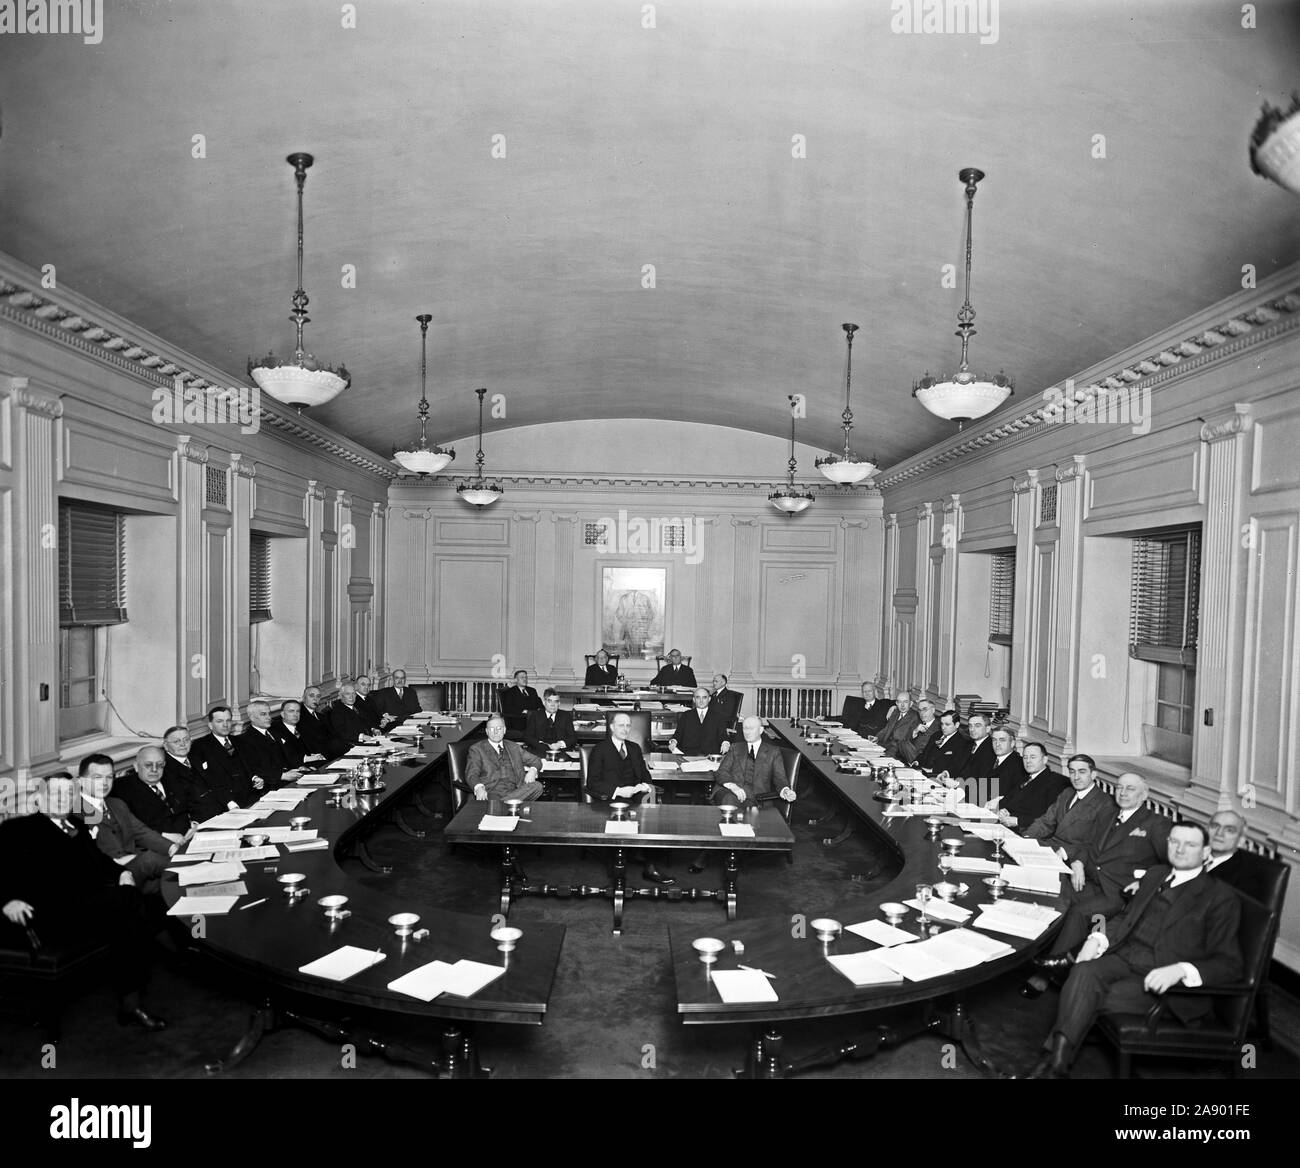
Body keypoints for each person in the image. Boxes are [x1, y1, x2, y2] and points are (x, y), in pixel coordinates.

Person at [1026, 821, 1243, 1079]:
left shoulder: (1219, 897)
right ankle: (1057, 1067)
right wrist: (1097, 938)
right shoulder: (1155, 875)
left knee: (1081, 992)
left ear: (1206, 852)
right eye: (1174, 842)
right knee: (1083, 972)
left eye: (1191, 844)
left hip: (1162, 983)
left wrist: (1180, 970)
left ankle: (1051, 1067)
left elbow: (1230, 964)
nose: (1180, 849)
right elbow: (1124, 918)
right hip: (1123, 958)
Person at [0, 774, 168, 1031]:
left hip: (87, 908)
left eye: (68, 794)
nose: (63, 799)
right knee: (130, 906)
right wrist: (7, 901)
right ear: (39, 798)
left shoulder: (76, 825)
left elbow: (101, 860)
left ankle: (132, 1000)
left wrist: (121, 873)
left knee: (129, 910)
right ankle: (137, 994)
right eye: (56, 793)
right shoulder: (18, 829)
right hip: (47, 914)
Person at [1023, 773, 1172, 997]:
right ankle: (1026, 955)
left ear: (1144, 795)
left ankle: (1047, 974)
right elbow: (1087, 844)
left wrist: (1143, 881)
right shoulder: (1108, 814)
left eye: (1130, 789)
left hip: (1118, 893)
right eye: (1119, 787)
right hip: (1088, 880)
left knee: (1080, 913)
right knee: (1047, 893)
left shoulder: (1156, 824)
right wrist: (1079, 862)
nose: (1122, 793)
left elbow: (1170, 865)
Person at [689, 716, 794, 873]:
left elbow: (780, 779)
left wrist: (786, 791)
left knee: (737, 809)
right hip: (729, 790)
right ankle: (732, 855)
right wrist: (734, 787)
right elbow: (721, 772)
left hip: (757, 797)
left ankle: (713, 851)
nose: (747, 732)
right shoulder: (735, 748)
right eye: (744, 728)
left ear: (761, 730)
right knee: (731, 801)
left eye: (751, 728)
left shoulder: (773, 752)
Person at [585, 712, 673, 886]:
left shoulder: (634, 748)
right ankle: (618, 866)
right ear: (611, 727)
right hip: (611, 798)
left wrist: (646, 786)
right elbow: (592, 783)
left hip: (636, 796)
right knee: (626, 813)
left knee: (654, 811)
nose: (625, 729)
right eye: (620, 725)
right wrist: (618, 791)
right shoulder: (600, 749)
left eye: (627, 725)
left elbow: (644, 774)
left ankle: (650, 865)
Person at [75, 754, 181, 895]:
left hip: (136, 866)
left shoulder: (117, 804)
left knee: (169, 884)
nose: (105, 783)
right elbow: (88, 856)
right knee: (152, 861)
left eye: (109, 777)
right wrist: (115, 862)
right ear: (81, 781)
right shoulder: (75, 813)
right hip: (111, 874)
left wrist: (171, 847)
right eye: (97, 778)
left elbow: (141, 832)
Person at [1023, 754, 1117, 866]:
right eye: (1072, 772)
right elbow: (1046, 822)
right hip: (1051, 849)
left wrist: (1065, 852)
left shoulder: (1105, 803)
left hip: (1074, 859)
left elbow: (1097, 844)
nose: (1076, 777)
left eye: (1082, 772)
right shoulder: (1067, 793)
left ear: (1093, 774)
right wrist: (1027, 837)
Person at [111, 745, 192, 836]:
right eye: (148, 765)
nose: (154, 769)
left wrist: (195, 823)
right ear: (136, 766)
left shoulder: (173, 778)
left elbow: (193, 803)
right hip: (157, 845)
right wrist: (162, 836)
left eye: (160, 764)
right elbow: (130, 828)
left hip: (190, 836)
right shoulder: (122, 789)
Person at [189, 706, 258, 812]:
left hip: (250, 799)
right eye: (220, 721)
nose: (225, 725)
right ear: (211, 725)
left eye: (228, 720)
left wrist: (255, 778)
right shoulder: (200, 747)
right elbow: (207, 781)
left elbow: (250, 767)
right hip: (224, 805)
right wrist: (229, 803)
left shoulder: (239, 741)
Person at [466, 715, 545, 803]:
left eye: (499, 728)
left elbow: (536, 760)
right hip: (492, 792)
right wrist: (479, 787)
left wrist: (533, 771)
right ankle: (506, 805)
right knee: (493, 798)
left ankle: (500, 806)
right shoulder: (477, 749)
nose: (496, 732)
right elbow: (472, 773)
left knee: (537, 786)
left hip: (516, 790)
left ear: (504, 730)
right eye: (492, 729)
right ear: (487, 731)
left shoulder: (513, 746)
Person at [1203, 809, 1276, 904]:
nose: (1219, 833)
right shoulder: (1193, 853)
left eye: (1229, 830)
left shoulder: (1246, 879)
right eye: (1215, 826)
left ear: (1240, 840)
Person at [991, 741, 1066, 830]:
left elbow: (1050, 818)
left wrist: (1017, 821)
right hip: (1007, 827)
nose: (1028, 761)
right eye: (1025, 758)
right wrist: (1004, 810)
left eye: (1033, 757)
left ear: (1045, 760)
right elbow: (1006, 800)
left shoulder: (1054, 782)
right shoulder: (1025, 777)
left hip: (1029, 831)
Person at [236, 698, 303, 791]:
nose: (269, 717)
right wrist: (282, 775)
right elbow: (253, 769)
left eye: (269, 713)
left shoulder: (275, 732)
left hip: (290, 779)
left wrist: (299, 767)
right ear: (252, 717)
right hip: (270, 786)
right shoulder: (244, 740)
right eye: (263, 714)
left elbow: (287, 755)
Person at [670, 688, 731, 756]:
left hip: (710, 756)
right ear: (694, 700)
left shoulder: (718, 716)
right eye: (698, 697)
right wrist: (673, 742)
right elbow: (678, 734)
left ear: (709, 699)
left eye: (704, 697)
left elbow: (723, 735)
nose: (701, 701)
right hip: (689, 755)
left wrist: (725, 743)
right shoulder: (686, 715)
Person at [271, 699, 327, 770]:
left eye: (298, 711)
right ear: (282, 714)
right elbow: (283, 757)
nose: (295, 714)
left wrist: (316, 755)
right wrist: (306, 758)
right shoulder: (275, 731)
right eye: (291, 711)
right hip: (292, 768)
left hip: (311, 764)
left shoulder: (303, 727)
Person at [939, 711, 994, 780]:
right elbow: (957, 764)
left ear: (987, 729)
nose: (972, 729)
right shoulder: (968, 743)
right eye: (970, 726)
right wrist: (947, 773)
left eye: (977, 726)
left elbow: (980, 777)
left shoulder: (992, 749)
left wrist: (957, 784)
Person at [524, 689, 578, 754]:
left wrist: (560, 744)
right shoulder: (535, 716)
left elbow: (573, 738)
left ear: (559, 704)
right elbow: (528, 737)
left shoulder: (566, 716)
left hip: (560, 752)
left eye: (556, 702)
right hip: (539, 751)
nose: (553, 705)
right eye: (549, 701)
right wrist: (542, 744)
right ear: (544, 703)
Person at [918, 710, 970, 776]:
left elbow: (956, 767)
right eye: (942, 724)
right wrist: (916, 762)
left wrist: (931, 771)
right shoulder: (936, 735)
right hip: (922, 771)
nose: (943, 727)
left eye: (947, 724)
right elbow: (925, 753)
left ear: (957, 725)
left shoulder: (963, 742)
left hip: (938, 776)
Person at [984, 726, 1028, 801]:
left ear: (1012, 743)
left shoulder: (1019, 766)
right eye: (994, 740)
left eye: (1002, 740)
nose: (997, 744)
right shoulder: (988, 759)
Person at [326, 682, 373, 752]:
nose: (351, 697)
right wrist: (361, 736)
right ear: (341, 696)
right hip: (352, 746)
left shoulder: (358, 707)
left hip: (368, 741)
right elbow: (341, 733)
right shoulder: (337, 711)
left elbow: (366, 723)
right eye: (347, 694)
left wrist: (373, 729)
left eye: (353, 694)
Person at [897, 697, 940, 765]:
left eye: (925, 709)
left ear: (933, 710)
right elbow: (902, 743)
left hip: (926, 761)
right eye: (919, 710)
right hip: (910, 759)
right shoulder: (916, 724)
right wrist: (915, 731)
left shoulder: (939, 726)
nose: (922, 713)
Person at [874, 690, 918, 756]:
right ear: (896, 703)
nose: (902, 705)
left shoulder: (915, 717)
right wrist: (876, 738)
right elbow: (886, 730)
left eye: (905, 702)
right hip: (884, 745)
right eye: (899, 702)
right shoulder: (895, 713)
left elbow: (908, 739)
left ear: (911, 703)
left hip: (897, 750)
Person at [297, 685, 335, 760]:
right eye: (311, 696)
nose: (315, 699)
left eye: (318, 696)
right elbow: (311, 743)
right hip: (317, 757)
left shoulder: (321, 716)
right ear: (304, 698)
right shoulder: (299, 717)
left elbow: (333, 735)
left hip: (330, 753)